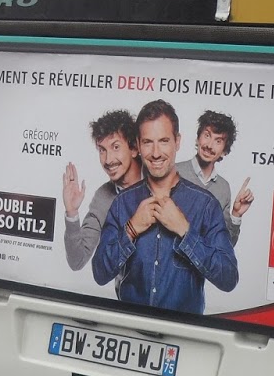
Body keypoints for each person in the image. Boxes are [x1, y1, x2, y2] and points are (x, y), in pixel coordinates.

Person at [92, 99, 239, 314]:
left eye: (163, 141)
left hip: (183, 334)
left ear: (177, 142)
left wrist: (185, 231)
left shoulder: (205, 205)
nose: (156, 153)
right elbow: (99, 273)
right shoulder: (122, 204)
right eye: (148, 142)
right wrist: (131, 229)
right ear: (139, 146)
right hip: (131, 328)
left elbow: (228, 278)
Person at [61, 110, 141, 272]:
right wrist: (72, 212)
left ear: (133, 148)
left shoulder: (158, 179)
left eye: (116, 147)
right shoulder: (103, 197)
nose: (108, 159)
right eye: (102, 150)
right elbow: (77, 260)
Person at [179, 110, 253, 245]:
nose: (209, 145)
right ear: (198, 138)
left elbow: (224, 246)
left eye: (218, 141)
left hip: (201, 265)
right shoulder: (175, 173)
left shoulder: (223, 188)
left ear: (224, 151)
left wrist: (236, 214)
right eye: (207, 135)